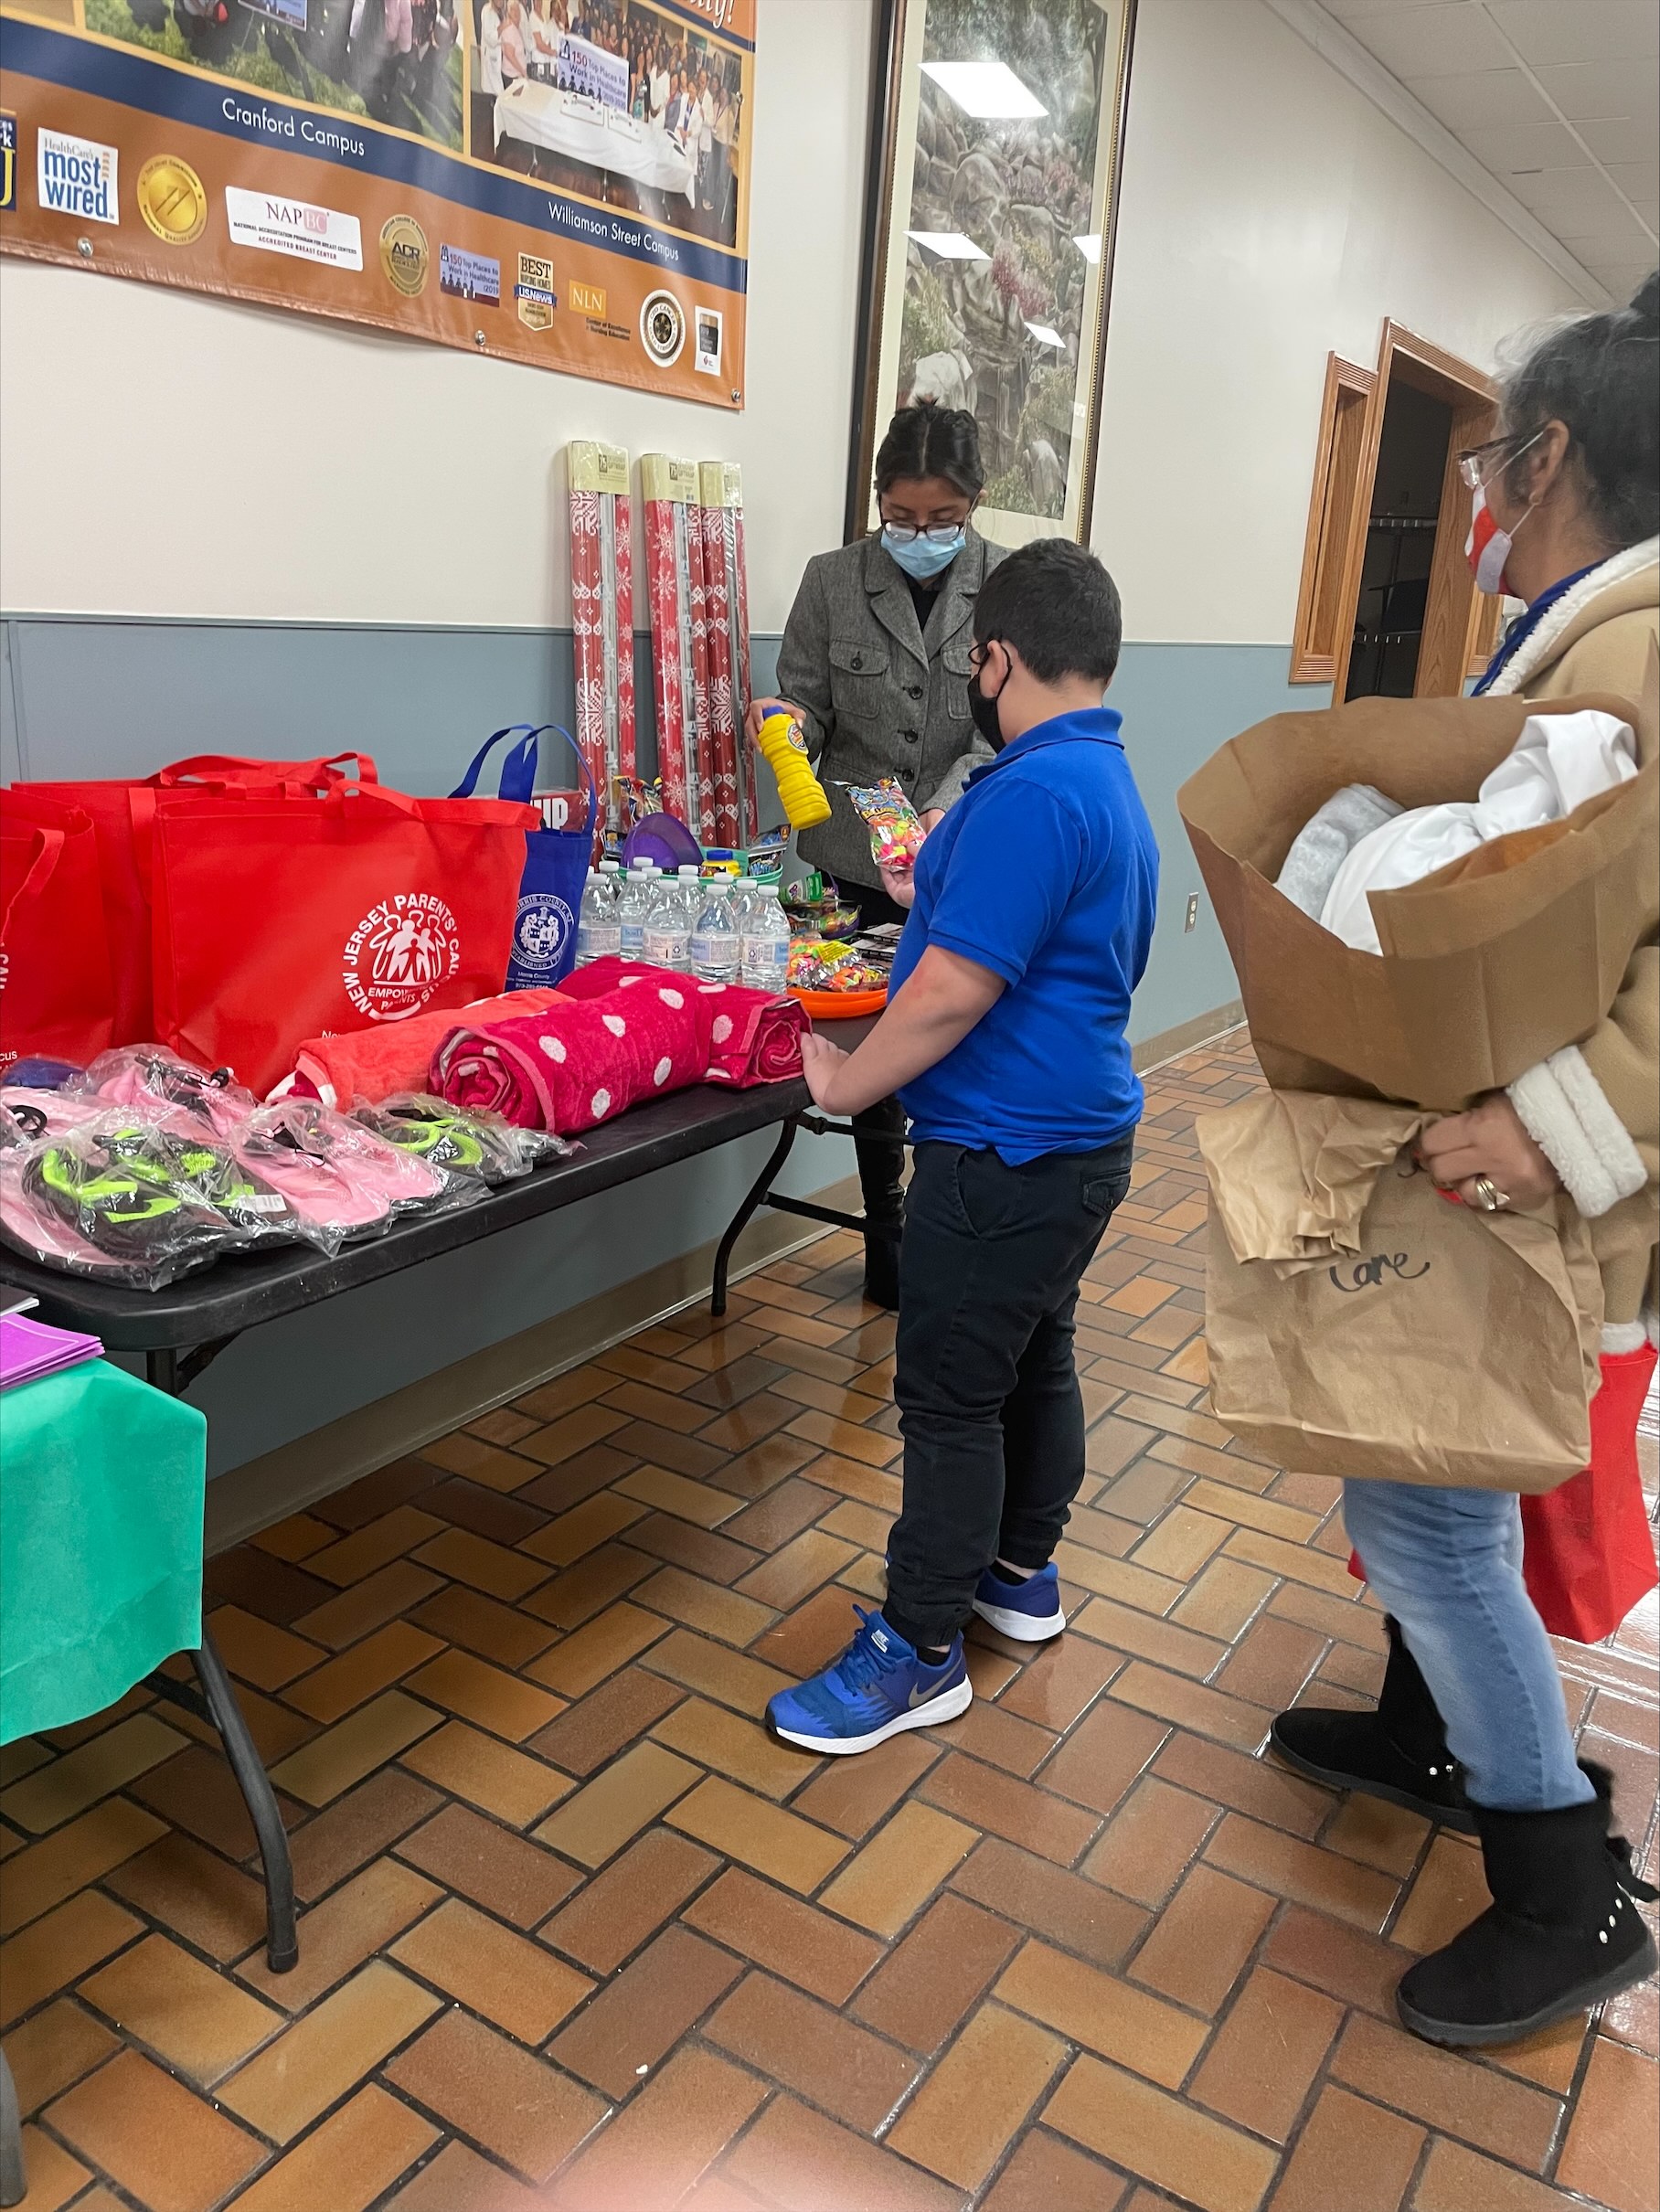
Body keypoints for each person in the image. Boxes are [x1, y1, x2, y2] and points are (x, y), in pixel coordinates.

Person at [1272, 269, 1659, 2048]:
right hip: (1482, 1164)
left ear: (1553, 452)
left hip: (1534, 1183)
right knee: (1406, 1482)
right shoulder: (1587, 629)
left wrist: (1538, 1122)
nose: (1481, 499)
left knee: (1431, 1523)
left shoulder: (1634, 639)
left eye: (1496, 461)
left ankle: (1558, 1888)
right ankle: (1421, 1731)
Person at [765, 539, 1158, 1756]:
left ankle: (921, 1647)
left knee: (947, 1401)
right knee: (1035, 1358)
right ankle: (1018, 1575)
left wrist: (840, 1080)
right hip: (1080, 1140)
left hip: (1001, 1153)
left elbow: (943, 994)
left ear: (993, 657)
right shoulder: (1096, 777)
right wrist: (936, 859)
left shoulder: (1030, 798)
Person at [747, 400, 1007, 1310]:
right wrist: (785, 723)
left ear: (974, 502)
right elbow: (805, 702)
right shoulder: (831, 581)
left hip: (953, 856)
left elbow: (1008, 726)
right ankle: (884, 1222)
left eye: (942, 518)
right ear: (878, 500)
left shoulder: (1007, 585)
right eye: (902, 516)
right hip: (838, 865)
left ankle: (940, 1217)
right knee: (853, 1045)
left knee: (939, 1036)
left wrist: (949, 805)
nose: (921, 533)